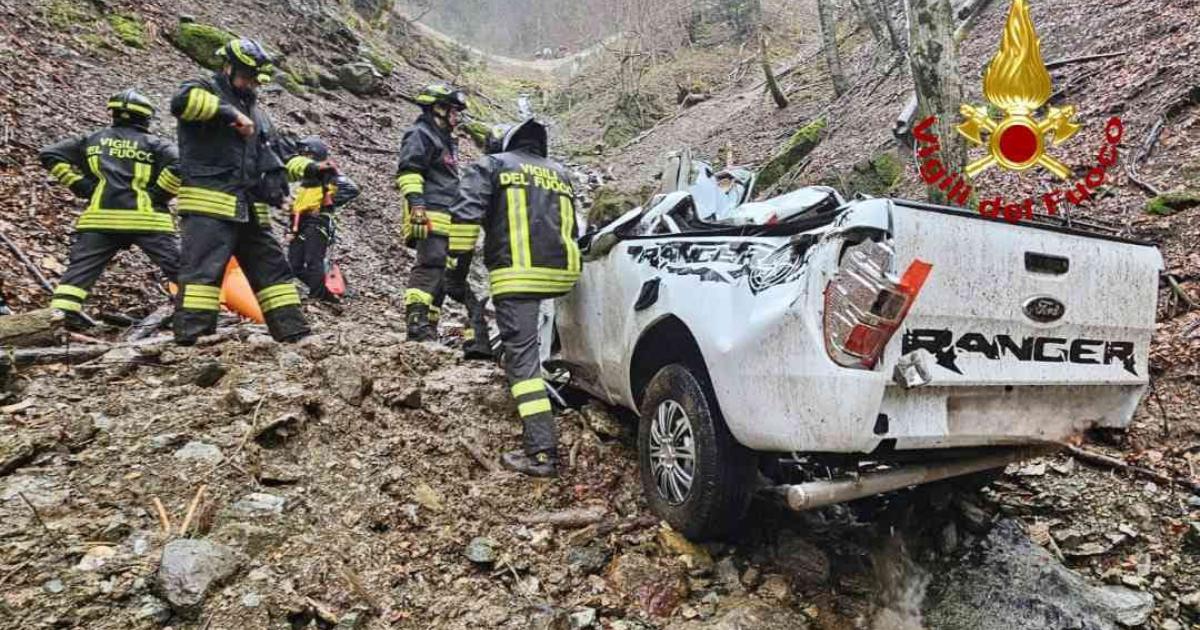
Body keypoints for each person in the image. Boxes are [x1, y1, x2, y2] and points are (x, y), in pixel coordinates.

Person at [170, 38, 333, 345]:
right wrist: (230, 115)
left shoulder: (259, 114)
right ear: (228, 67)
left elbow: (274, 155)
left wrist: (311, 169)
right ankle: (193, 342)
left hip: (250, 209)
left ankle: (295, 335)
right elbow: (180, 102)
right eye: (245, 75)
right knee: (203, 276)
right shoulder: (203, 88)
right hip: (210, 205)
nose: (250, 83)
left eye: (254, 77)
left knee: (275, 274)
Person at [450, 119, 582, 477]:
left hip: (518, 276)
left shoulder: (492, 165)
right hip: (565, 276)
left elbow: (463, 221)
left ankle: (541, 453)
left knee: (522, 366)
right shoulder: (561, 173)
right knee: (530, 342)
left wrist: (455, 274)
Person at [38, 89, 181, 327]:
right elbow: (181, 164)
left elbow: (49, 153)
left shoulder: (91, 140)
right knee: (179, 268)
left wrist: (80, 185)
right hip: (147, 220)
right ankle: (197, 314)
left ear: (112, 113)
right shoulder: (155, 144)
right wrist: (160, 194)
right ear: (145, 118)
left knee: (80, 271)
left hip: (100, 220)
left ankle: (61, 317)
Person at [396, 84, 490, 357]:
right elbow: (409, 172)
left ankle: (429, 327)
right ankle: (416, 325)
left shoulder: (443, 140)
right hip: (430, 212)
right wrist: (416, 205)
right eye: (454, 111)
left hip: (447, 214)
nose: (457, 117)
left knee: (442, 274)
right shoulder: (420, 134)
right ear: (438, 109)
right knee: (430, 266)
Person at [286, 136, 359, 304]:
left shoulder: (327, 175)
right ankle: (324, 292)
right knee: (294, 265)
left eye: (307, 154)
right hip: (299, 222)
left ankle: (317, 295)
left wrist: (327, 205)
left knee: (314, 260)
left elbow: (351, 188)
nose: (303, 157)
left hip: (317, 221)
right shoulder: (306, 179)